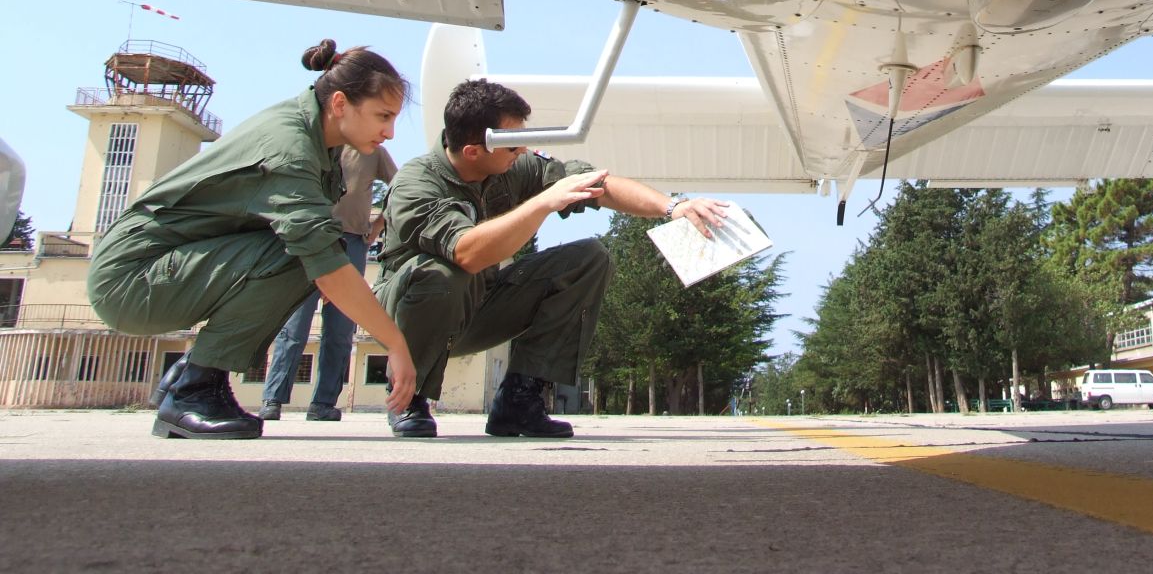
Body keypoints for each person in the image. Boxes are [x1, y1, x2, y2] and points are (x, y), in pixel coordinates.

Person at [87, 41, 418, 439]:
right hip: (130, 280)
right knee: (305, 256)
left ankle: (193, 375)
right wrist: (396, 343)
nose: (390, 132)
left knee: (310, 254)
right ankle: (194, 390)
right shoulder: (290, 148)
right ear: (341, 104)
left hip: (161, 264)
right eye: (383, 116)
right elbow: (324, 260)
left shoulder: (317, 139)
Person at [376, 78, 726, 439]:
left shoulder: (511, 167)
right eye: (512, 145)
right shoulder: (415, 184)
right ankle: (408, 397)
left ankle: (518, 402)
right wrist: (544, 202)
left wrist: (673, 207)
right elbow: (468, 252)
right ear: (472, 152)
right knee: (443, 274)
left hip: (479, 303)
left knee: (589, 258)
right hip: (410, 315)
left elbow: (596, 183)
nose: (523, 150)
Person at [258, 145, 396, 421]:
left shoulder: (373, 151)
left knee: (341, 330)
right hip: (311, 240)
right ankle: (273, 399)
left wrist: (379, 224)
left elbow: (400, 186)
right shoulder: (318, 144)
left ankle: (323, 403)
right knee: (295, 325)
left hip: (353, 242)